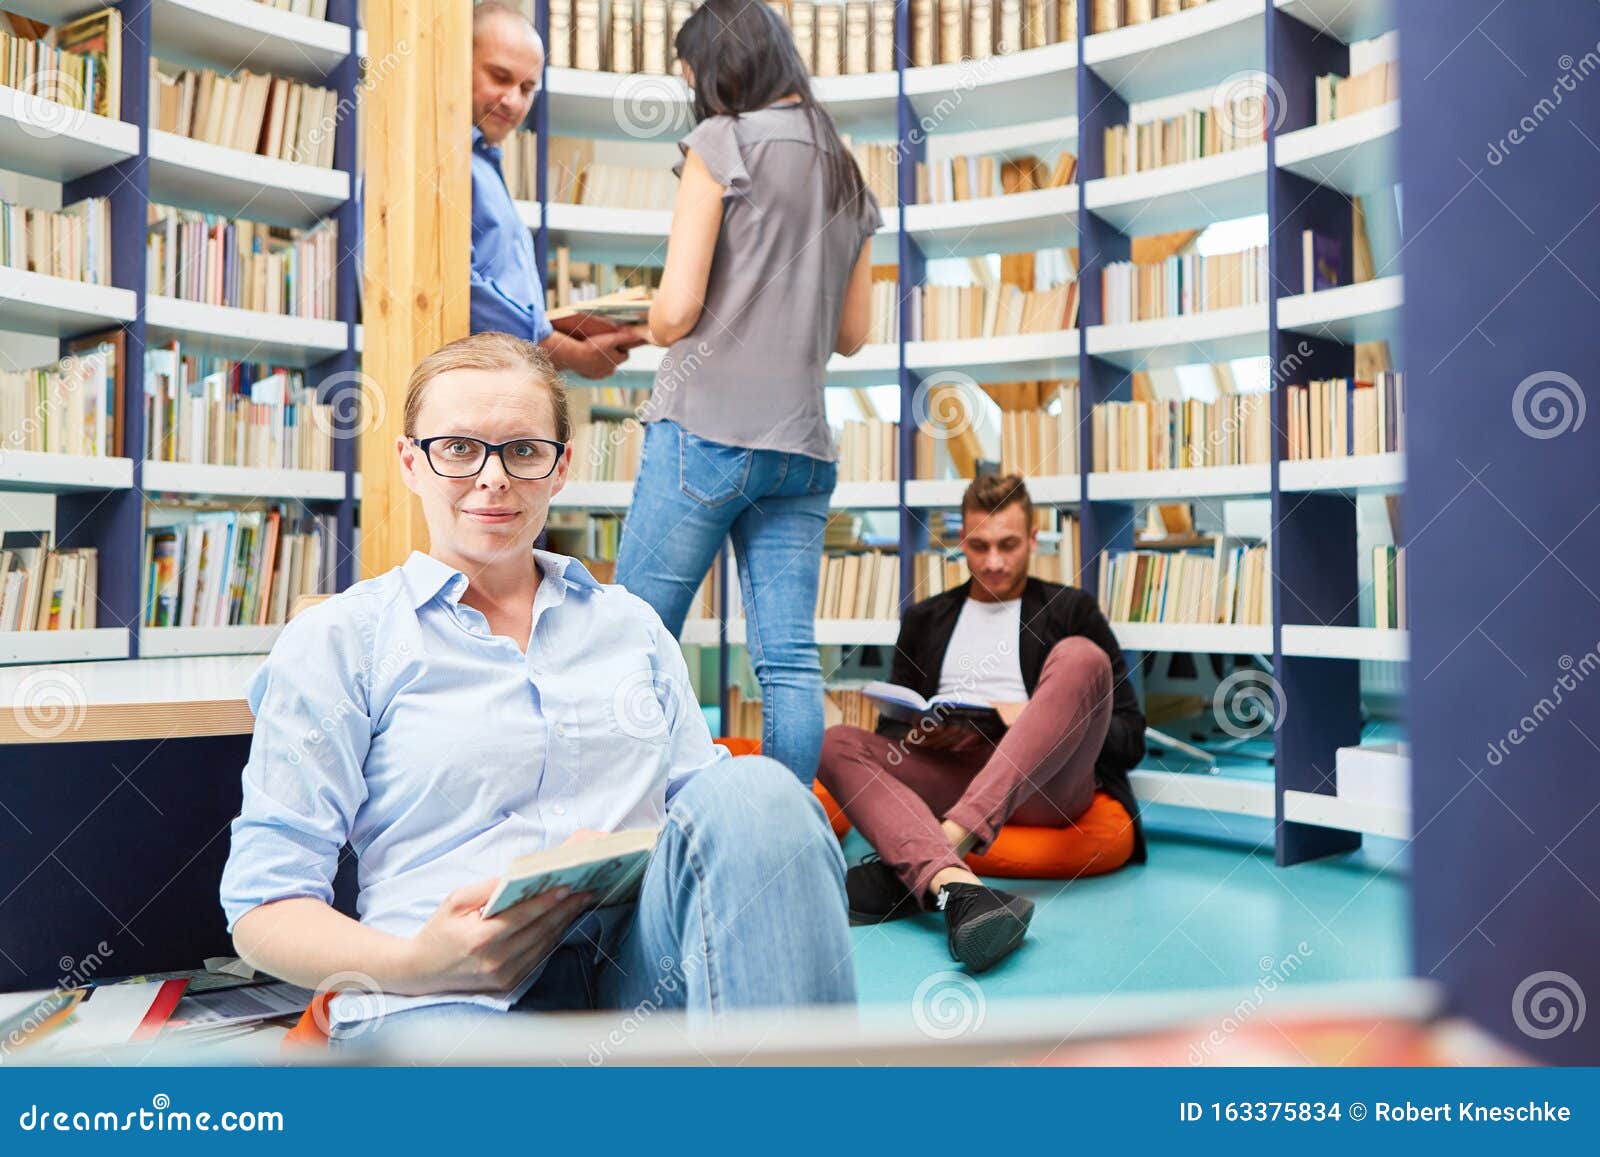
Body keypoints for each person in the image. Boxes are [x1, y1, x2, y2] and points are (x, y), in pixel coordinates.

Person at [220, 333, 854, 1049]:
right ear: (410, 461)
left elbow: (713, 826)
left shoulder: (633, 627)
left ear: (560, 468)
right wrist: (417, 963)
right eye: (458, 448)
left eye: (523, 451)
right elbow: (263, 906)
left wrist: (622, 851)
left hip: (637, 975)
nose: (493, 478)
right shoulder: (343, 638)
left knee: (761, 794)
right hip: (442, 997)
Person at [614, 0, 880, 786]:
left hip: (704, 432)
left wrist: (630, 318)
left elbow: (674, 312)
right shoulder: (844, 167)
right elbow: (852, 333)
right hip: (800, 451)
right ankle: (787, 842)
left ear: (719, 69)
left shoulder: (719, 141)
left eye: (692, 73)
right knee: (790, 662)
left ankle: (636, 837)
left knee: (634, 637)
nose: (694, 90)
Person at [816, 475, 1147, 972]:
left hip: (1047, 784)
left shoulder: (1070, 609)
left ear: (1034, 540)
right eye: (980, 546)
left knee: (1082, 657)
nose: (993, 561)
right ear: (961, 543)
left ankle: (935, 851)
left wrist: (1042, 717)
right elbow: (890, 737)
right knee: (836, 742)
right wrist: (922, 733)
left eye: (1008, 545)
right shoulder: (925, 618)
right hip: (951, 771)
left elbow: (1129, 737)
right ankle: (961, 891)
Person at [469, 2, 642, 378]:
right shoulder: (445, 160)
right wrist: (564, 351)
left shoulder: (483, 163)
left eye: (527, 88)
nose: (513, 100)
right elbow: (459, 289)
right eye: (499, 76)